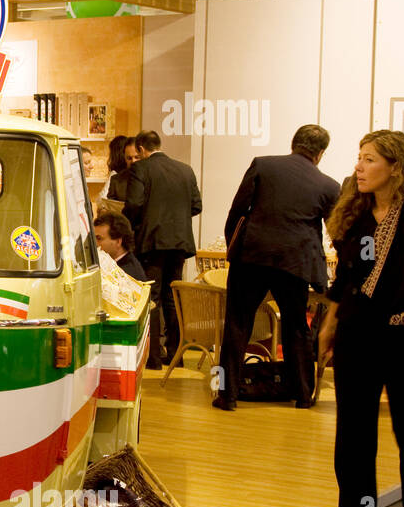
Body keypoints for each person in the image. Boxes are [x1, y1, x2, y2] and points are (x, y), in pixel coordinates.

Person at [319, 130, 404, 507]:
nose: (359, 167)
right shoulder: (355, 213)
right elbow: (344, 280)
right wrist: (328, 325)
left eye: (370, 160)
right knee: (353, 446)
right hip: (358, 338)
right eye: (358, 159)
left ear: (395, 167)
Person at [213, 125, 341, 411]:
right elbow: (336, 229)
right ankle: (303, 395)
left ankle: (227, 394)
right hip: (295, 262)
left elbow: (237, 210)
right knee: (296, 328)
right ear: (320, 154)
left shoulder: (263, 166)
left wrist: (235, 248)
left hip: (252, 256)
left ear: (293, 143)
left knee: (236, 324)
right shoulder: (329, 185)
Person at [123, 130, 202, 369]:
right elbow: (197, 205)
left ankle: (154, 357)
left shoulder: (141, 169)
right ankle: (176, 356)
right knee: (172, 297)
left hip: (152, 241)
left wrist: (129, 222)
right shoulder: (185, 170)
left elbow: (134, 204)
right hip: (179, 242)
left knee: (153, 297)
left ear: (141, 150)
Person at [93, 212, 148, 281]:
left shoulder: (128, 275)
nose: (95, 243)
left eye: (99, 238)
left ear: (118, 242)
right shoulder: (116, 263)